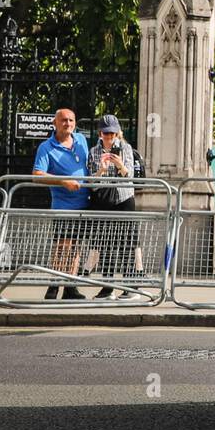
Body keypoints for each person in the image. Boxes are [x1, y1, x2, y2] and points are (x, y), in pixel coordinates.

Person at [32, 107, 90, 300]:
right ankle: (54, 285)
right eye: (64, 120)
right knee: (62, 246)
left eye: (71, 120)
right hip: (63, 205)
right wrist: (62, 181)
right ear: (55, 123)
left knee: (75, 247)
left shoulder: (81, 140)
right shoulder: (46, 147)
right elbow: (37, 175)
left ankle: (70, 287)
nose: (68, 124)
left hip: (84, 203)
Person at [86, 114, 137, 299]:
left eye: (113, 134)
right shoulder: (94, 152)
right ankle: (107, 287)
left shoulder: (126, 148)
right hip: (104, 201)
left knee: (127, 244)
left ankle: (130, 287)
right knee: (106, 244)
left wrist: (120, 165)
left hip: (124, 199)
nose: (109, 137)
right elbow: (92, 183)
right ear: (100, 133)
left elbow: (130, 177)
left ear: (118, 133)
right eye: (106, 134)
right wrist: (101, 170)